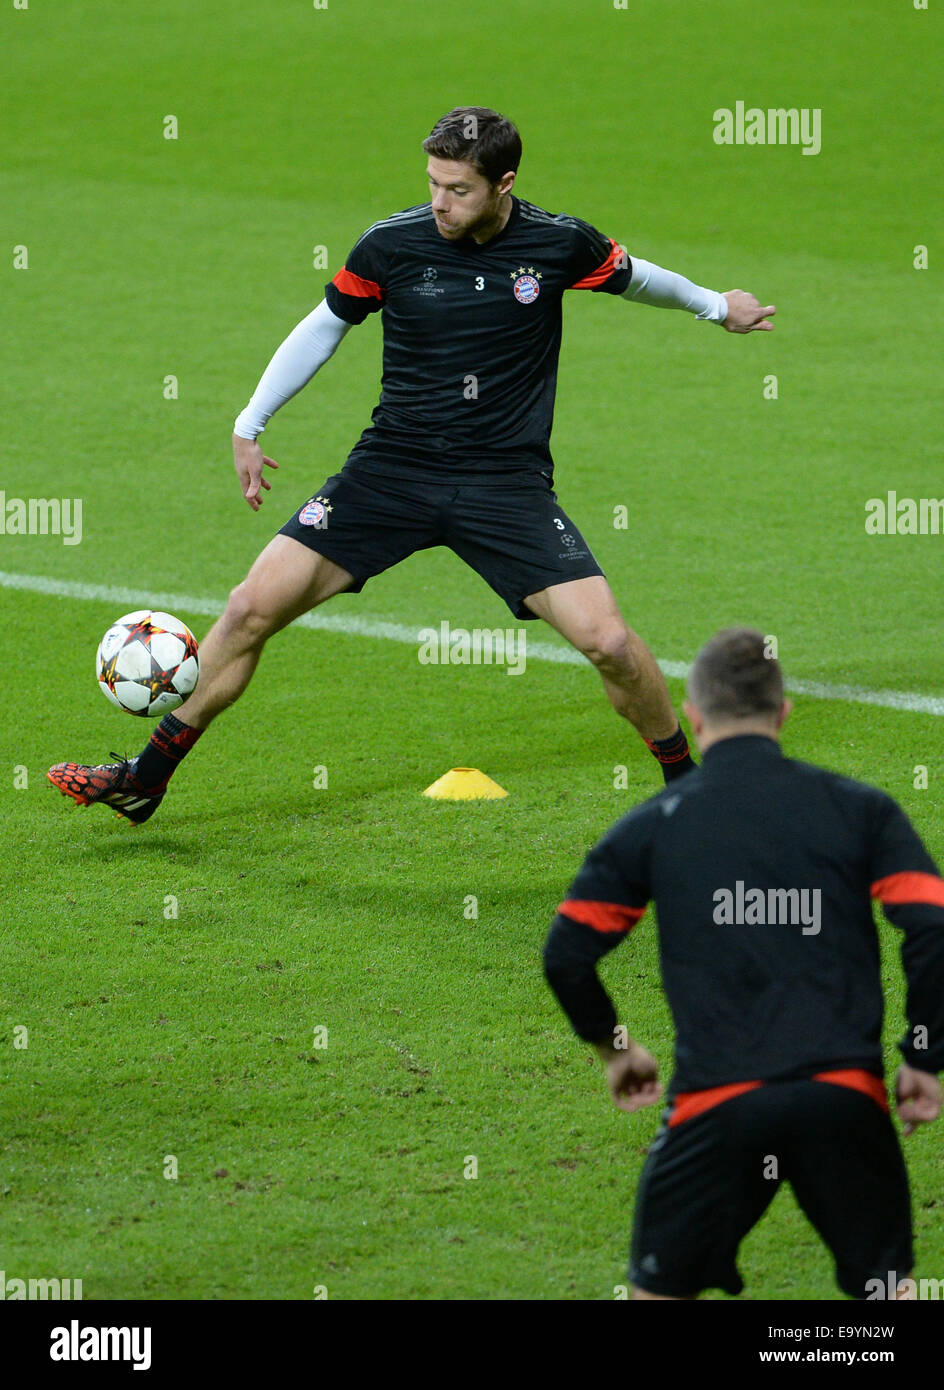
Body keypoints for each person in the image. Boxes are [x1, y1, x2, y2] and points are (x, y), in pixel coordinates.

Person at [49, 108, 774, 824]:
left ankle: (690, 783)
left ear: (504, 184)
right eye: (432, 183)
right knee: (247, 609)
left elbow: (638, 276)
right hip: (391, 472)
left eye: (458, 189)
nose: (439, 202)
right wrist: (250, 421)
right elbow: (324, 325)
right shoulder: (391, 245)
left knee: (610, 643)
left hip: (504, 485)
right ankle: (146, 778)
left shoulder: (558, 244)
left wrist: (718, 307)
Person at [543, 627, 944, 1300]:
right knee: (888, 1295)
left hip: (715, 1103)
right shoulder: (861, 809)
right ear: (784, 713)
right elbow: (932, 926)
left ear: (694, 718)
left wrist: (616, 1049)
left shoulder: (657, 821)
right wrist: (924, 1056)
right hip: (844, 1097)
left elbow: (567, 955)